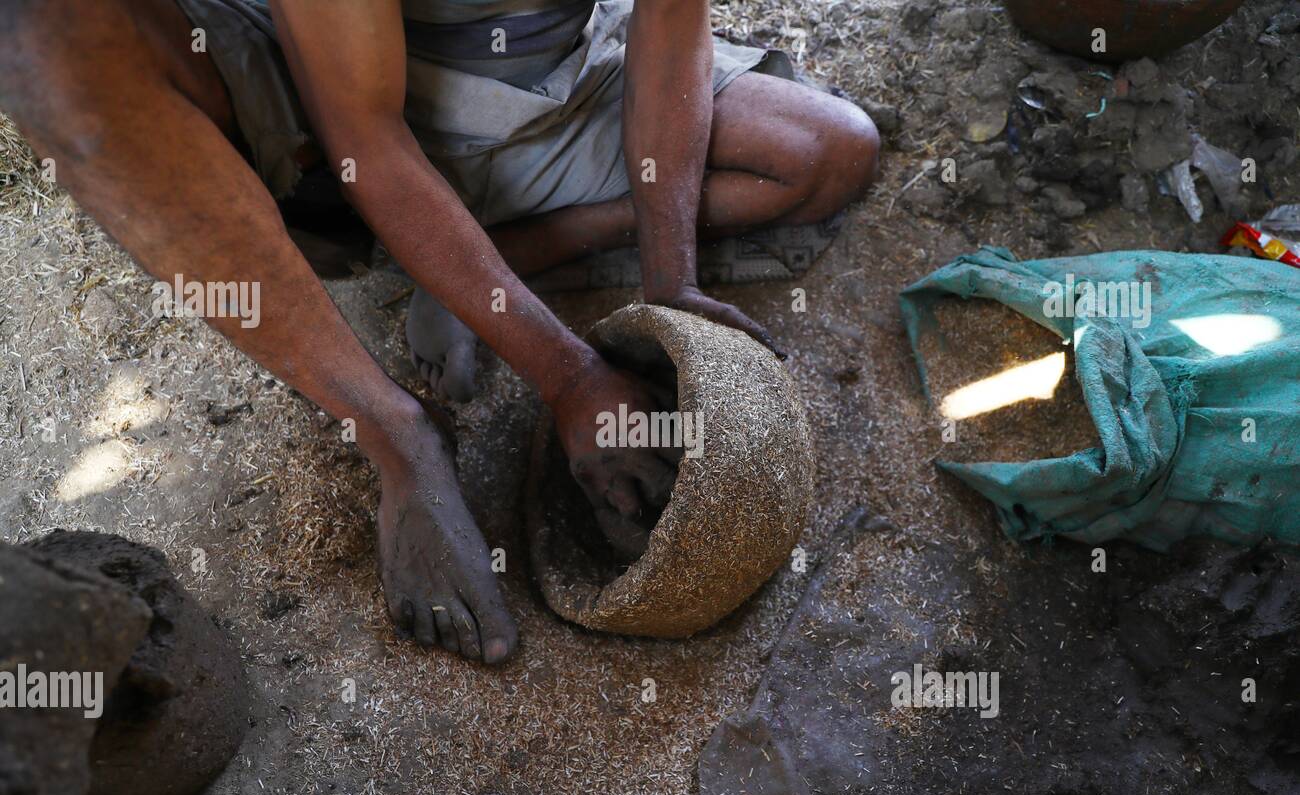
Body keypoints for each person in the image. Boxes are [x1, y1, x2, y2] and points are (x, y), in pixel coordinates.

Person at [0, 0, 879, 663]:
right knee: (46, 46)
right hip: (331, 118)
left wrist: (669, 275)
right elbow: (365, 142)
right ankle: (396, 434)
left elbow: (667, 26)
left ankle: (506, 249)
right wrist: (568, 375)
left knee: (828, 149)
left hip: (553, 81)